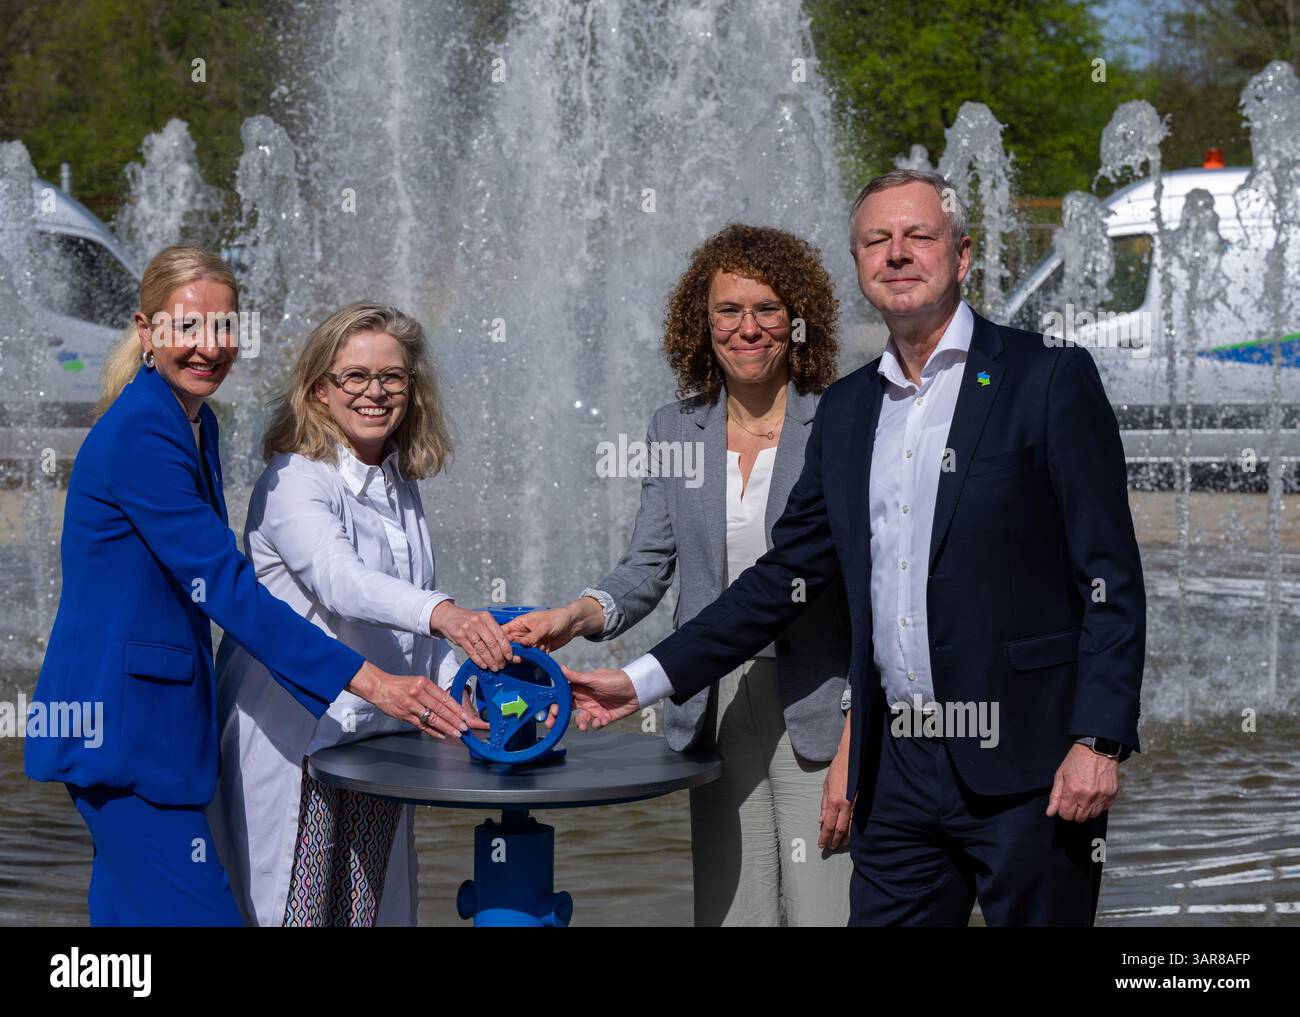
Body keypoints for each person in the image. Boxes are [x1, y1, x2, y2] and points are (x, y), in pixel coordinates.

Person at [561, 170, 1147, 927]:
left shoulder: (1048, 378)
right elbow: (783, 577)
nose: (897, 253)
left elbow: (1111, 578)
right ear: (859, 261)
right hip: (897, 771)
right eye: (877, 240)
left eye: (918, 236)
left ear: (961, 256)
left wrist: (1097, 737)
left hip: (1029, 766)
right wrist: (642, 679)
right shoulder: (848, 407)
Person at [25, 246, 469, 926]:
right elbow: (229, 588)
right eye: (187, 328)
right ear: (148, 333)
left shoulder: (190, 423)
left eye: (224, 328)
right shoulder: (147, 428)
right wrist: (373, 682)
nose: (209, 347)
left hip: (150, 733)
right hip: (124, 735)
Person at [503, 224, 854, 926]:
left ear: (798, 320)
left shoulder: (844, 419)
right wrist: (572, 616)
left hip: (819, 701)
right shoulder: (674, 429)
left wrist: (859, 729)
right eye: (729, 310)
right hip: (711, 703)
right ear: (704, 322)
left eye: (767, 309)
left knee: (826, 912)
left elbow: (876, 592)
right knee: (732, 915)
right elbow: (647, 567)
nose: (747, 328)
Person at [209, 302, 510, 926]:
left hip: (377, 743)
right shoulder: (294, 478)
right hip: (299, 743)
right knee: (298, 914)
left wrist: (483, 682)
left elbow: (407, 631)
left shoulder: (399, 482)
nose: (375, 392)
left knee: (371, 915)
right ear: (319, 390)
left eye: (393, 377)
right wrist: (446, 612)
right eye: (355, 377)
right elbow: (341, 582)